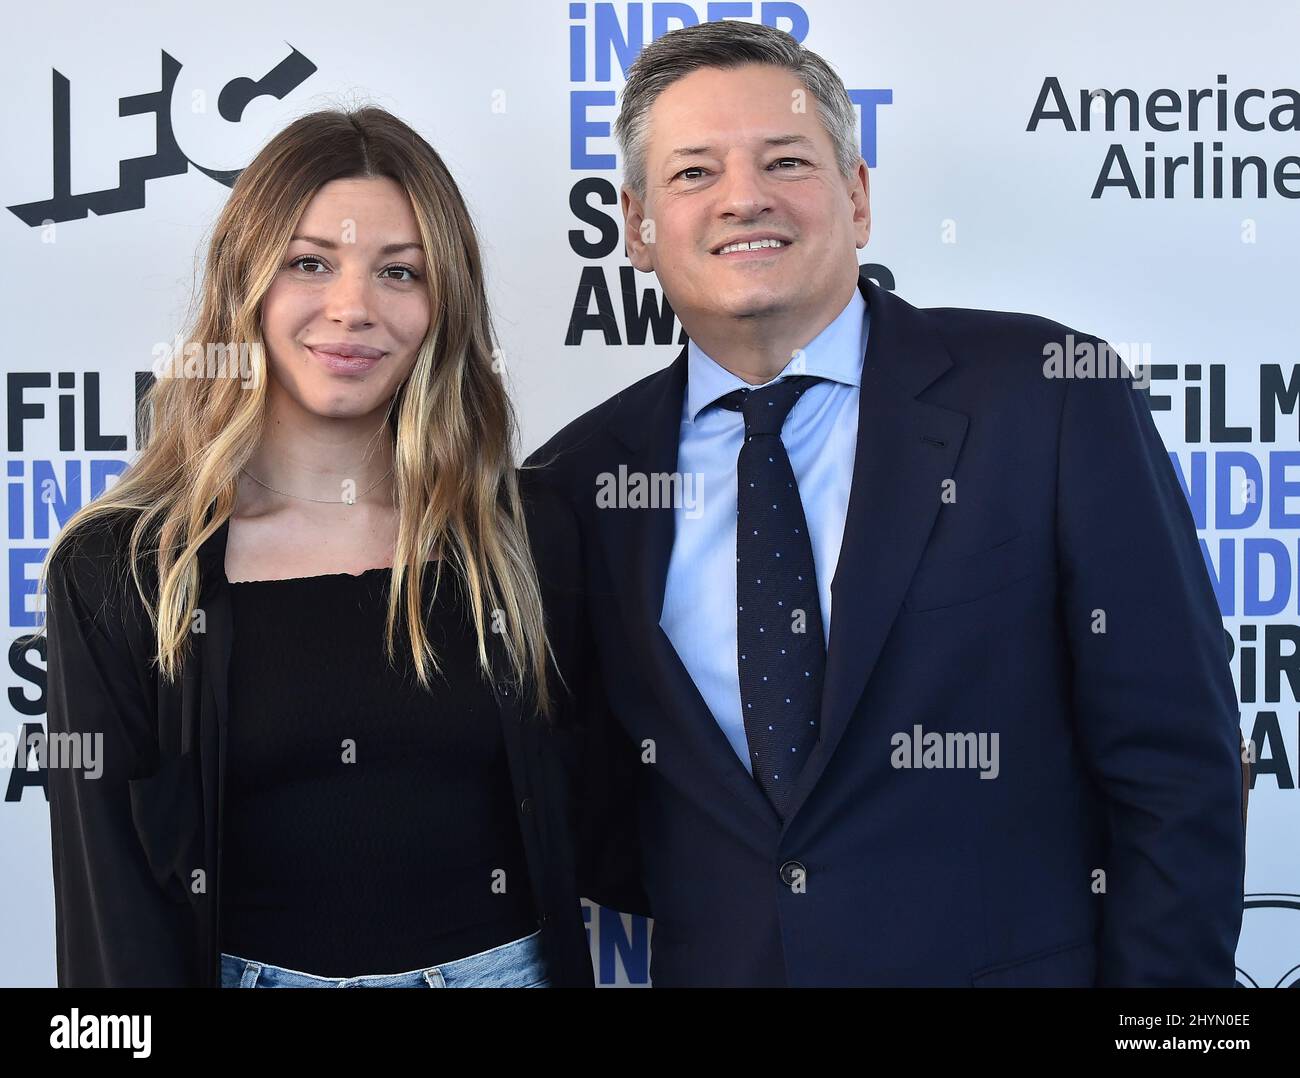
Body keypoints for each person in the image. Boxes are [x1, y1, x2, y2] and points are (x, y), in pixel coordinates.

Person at [526, 21, 1248, 986]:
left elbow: (1179, 771)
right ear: (639, 228)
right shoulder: (576, 485)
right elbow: (597, 812)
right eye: (694, 173)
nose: (745, 197)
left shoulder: (1048, 394)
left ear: (858, 199)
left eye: (786, 160)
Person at [37, 106, 594, 988]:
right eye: (310, 263)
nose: (352, 308)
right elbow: (109, 913)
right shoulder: (126, 568)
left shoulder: (528, 536)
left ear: (443, 304)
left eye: (398, 272)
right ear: (245, 285)